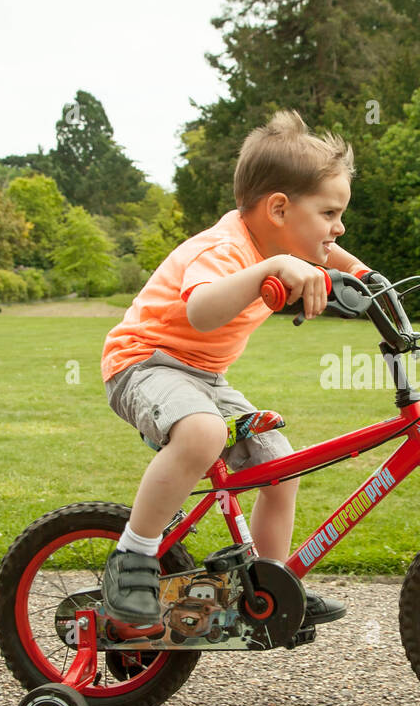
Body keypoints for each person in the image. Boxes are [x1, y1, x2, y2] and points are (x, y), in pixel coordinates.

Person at [98, 109, 377, 631]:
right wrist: (269, 271)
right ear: (278, 209)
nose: (338, 227)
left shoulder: (285, 245)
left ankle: (273, 583)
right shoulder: (225, 248)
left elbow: (333, 253)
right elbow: (203, 311)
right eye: (330, 211)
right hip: (144, 362)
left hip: (203, 376)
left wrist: (369, 278)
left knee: (281, 463)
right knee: (202, 432)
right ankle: (132, 559)